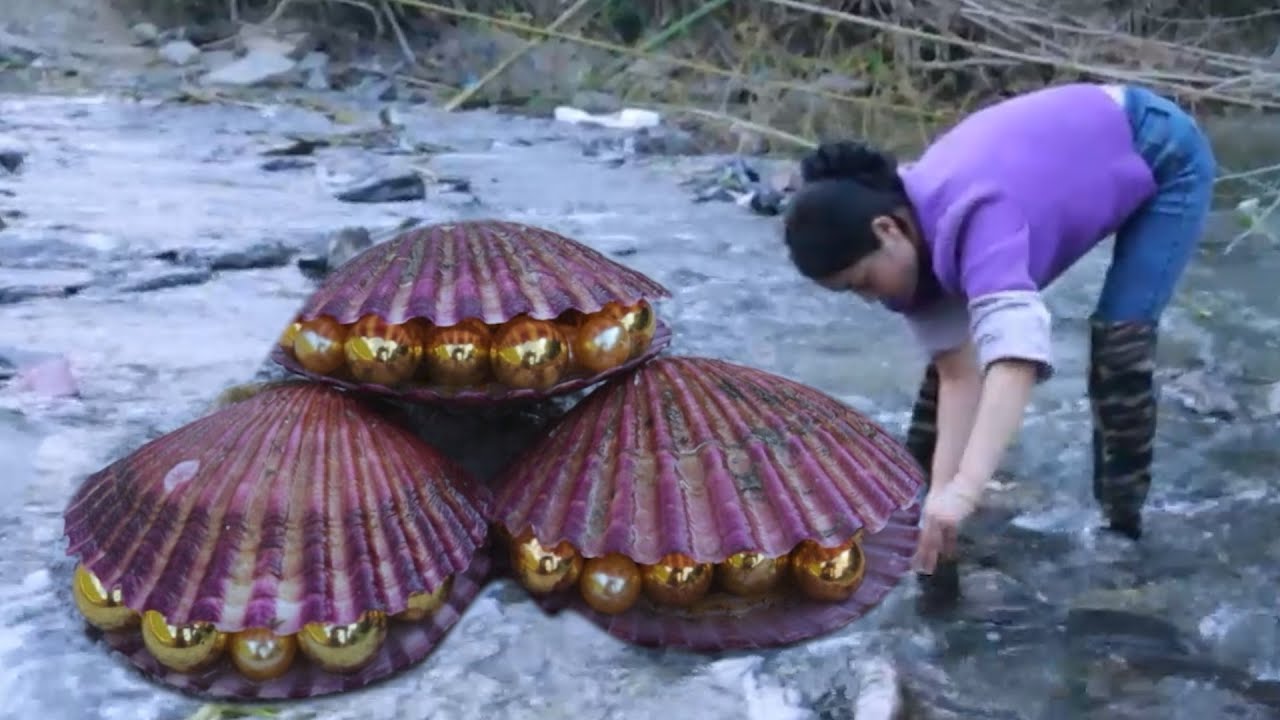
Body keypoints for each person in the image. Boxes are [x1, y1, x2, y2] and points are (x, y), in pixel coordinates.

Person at [780, 83, 1216, 602]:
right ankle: (914, 522)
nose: (870, 299)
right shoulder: (909, 241)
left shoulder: (977, 213)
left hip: (1156, 145)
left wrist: (967, 490)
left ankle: (1121, 532)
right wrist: (941, 498)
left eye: (862, 283)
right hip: (1057, 167)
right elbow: (959, 372)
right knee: (940, 425)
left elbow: (1016, 359)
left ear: (888, 229)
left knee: (1120, 345)